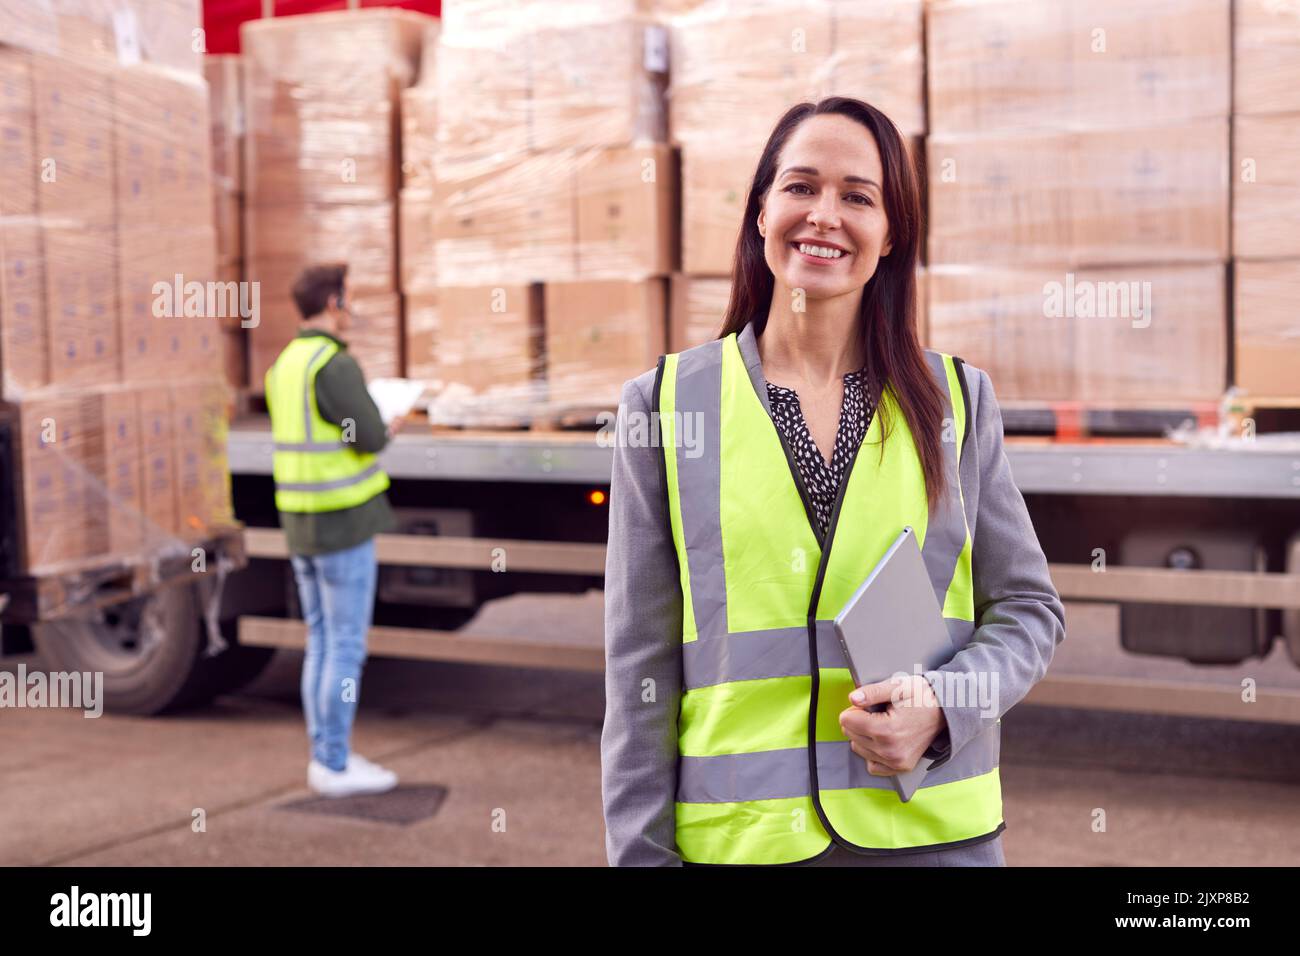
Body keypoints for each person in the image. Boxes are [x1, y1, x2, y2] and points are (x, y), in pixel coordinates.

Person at [600, 97, 1067, 866]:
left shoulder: (956, 400)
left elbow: (1028, 610)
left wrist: (947, 706)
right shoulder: (666, 404)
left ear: (891, 236)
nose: (824, 215)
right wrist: (640, 856)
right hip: (745, 844)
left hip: (930, 838)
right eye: (800, 187)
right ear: (759, 212)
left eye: (858, 197)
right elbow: (638, 666)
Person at [266, 262, 400, 799]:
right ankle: (335, 763)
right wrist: (387, 426)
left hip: (301, 523)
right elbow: (366, 436)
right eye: (348, 298)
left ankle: (327, 755)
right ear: (333, 303)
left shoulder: (286, 363)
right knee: (344, 645)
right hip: (342, 523)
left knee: (321, 640)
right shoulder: (334, 365)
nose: (352, 310)